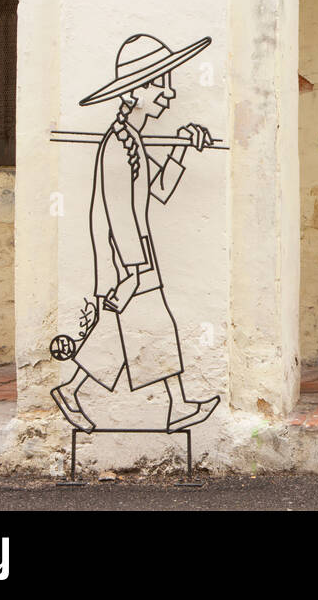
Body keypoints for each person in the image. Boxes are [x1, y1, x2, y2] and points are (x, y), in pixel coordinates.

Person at [51, 33, 220, 433]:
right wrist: (131, 272)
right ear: (133, 92)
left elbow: (156, 193)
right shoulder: (117, 145)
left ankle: (74, 390)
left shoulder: (133, 141)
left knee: (122, 336)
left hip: (134, 254)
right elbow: (118, 213)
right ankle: (176, 406)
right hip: (126, 256)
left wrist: (180, 148)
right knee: (154, 328)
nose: (169, 93)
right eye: (160, 83)